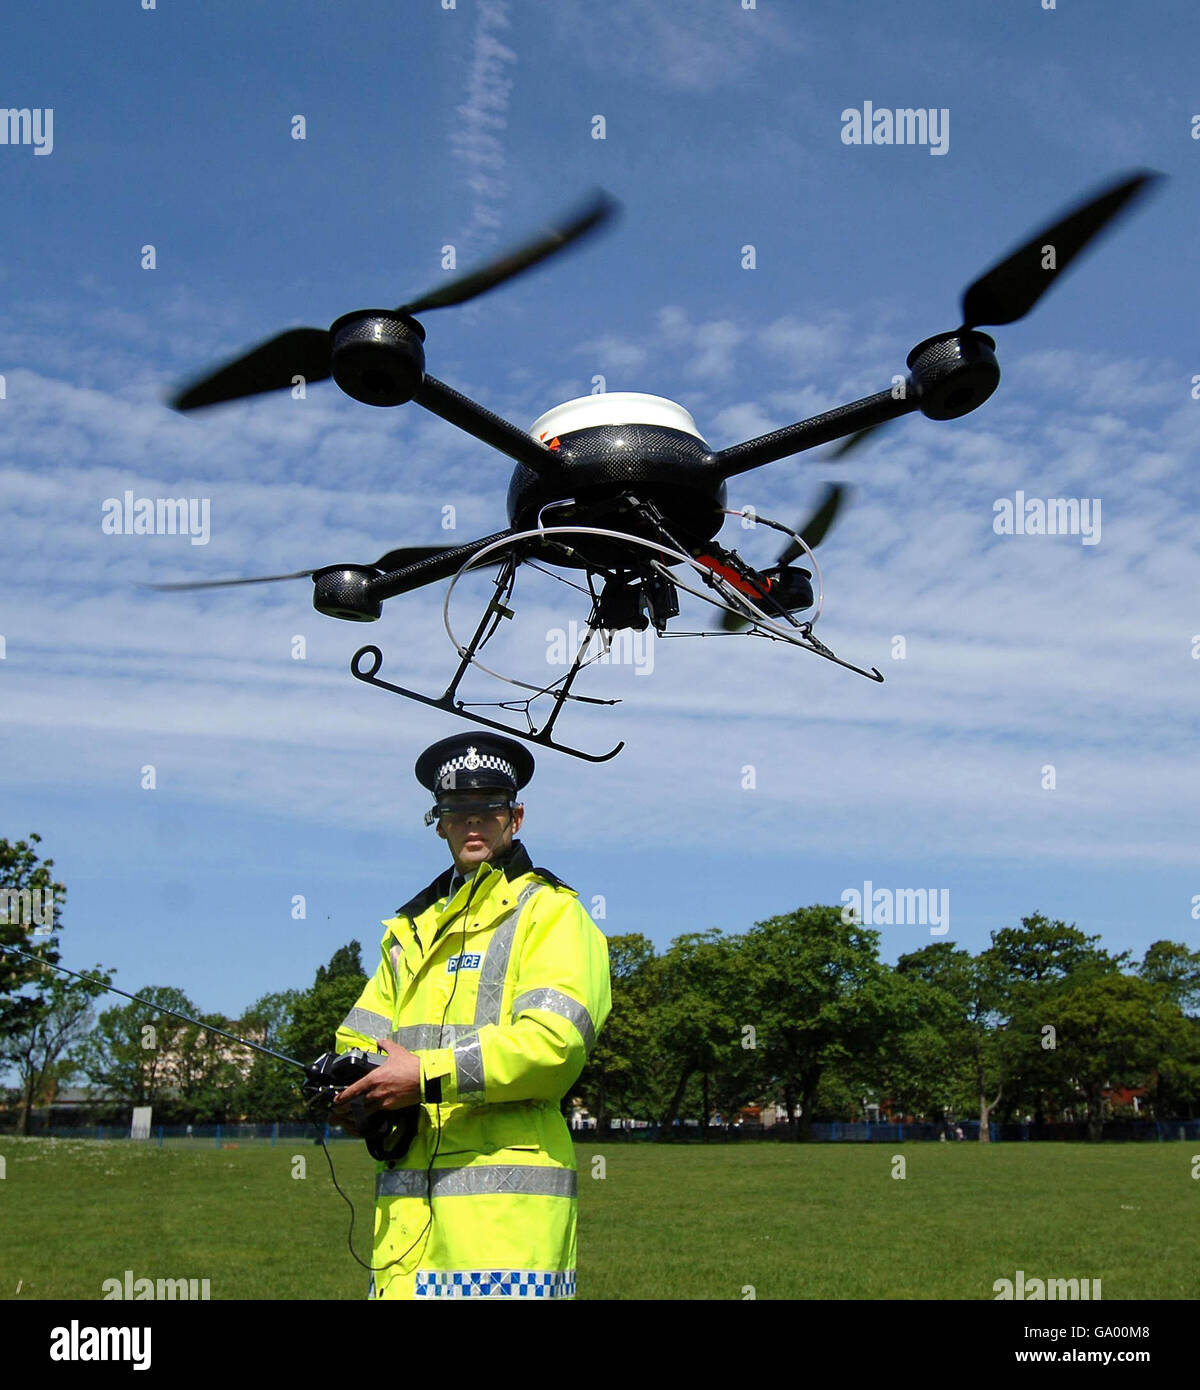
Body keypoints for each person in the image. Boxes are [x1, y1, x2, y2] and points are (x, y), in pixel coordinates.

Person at [330, 733, 611, 1299]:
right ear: (438, 822)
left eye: (489, 809)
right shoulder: (409, 930)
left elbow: (553, 1047)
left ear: (517, 816)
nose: (474, 824)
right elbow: (358, 1039)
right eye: (458, 811)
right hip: (405, 1239)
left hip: (507, 1241)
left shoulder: (552, 913)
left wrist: (424, 1076)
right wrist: (345, 1088)